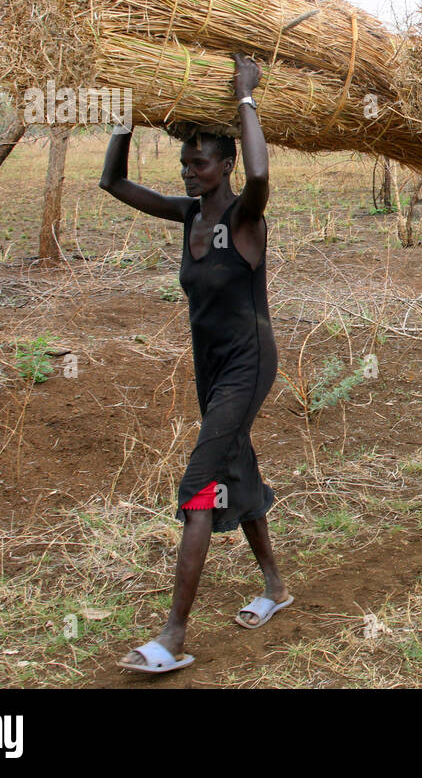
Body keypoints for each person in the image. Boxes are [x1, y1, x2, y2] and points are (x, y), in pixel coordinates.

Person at [104, 53, 290, 674]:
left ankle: (172, 637)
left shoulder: (244, 216)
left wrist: (245, 97)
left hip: (248, 363)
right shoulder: (189, 213)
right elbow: (113, 184)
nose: (188, 173)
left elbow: (261, 173)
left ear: (225, 164)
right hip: (209, 367)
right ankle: (274, 587)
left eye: (200, 163)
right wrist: (125, 117)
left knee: (200, 486)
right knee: (236, 464)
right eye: (184, 164)